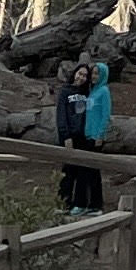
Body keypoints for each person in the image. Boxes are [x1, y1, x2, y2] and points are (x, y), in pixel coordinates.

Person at [53, 62, 91, 210]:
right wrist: (65, 135)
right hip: (69, 137)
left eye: (85, 76)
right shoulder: (65, 92)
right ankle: (63, 202)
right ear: (75, 73)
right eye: (80, 74)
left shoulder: (87, 93)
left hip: (84, 136)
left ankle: (79, 203)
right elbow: (61, 115)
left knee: (82, 171)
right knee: (68, 171)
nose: (81, 77)